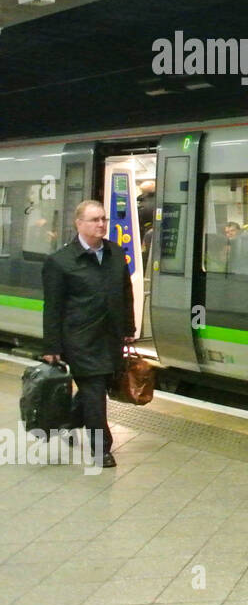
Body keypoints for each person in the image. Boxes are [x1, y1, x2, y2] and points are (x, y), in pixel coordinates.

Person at [41, 200, 136, 468]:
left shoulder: (116, 253)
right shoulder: (60, 262)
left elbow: (125, 294)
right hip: (80, 339)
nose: (101, 224)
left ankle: (65, 423)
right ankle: (101, 449)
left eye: (103, 219)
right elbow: (53, 308)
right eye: (94, 220)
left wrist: (128, 329)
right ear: (79, 224)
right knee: (94, 392)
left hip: (110, 337)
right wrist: (52, 346)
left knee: (94, 391)